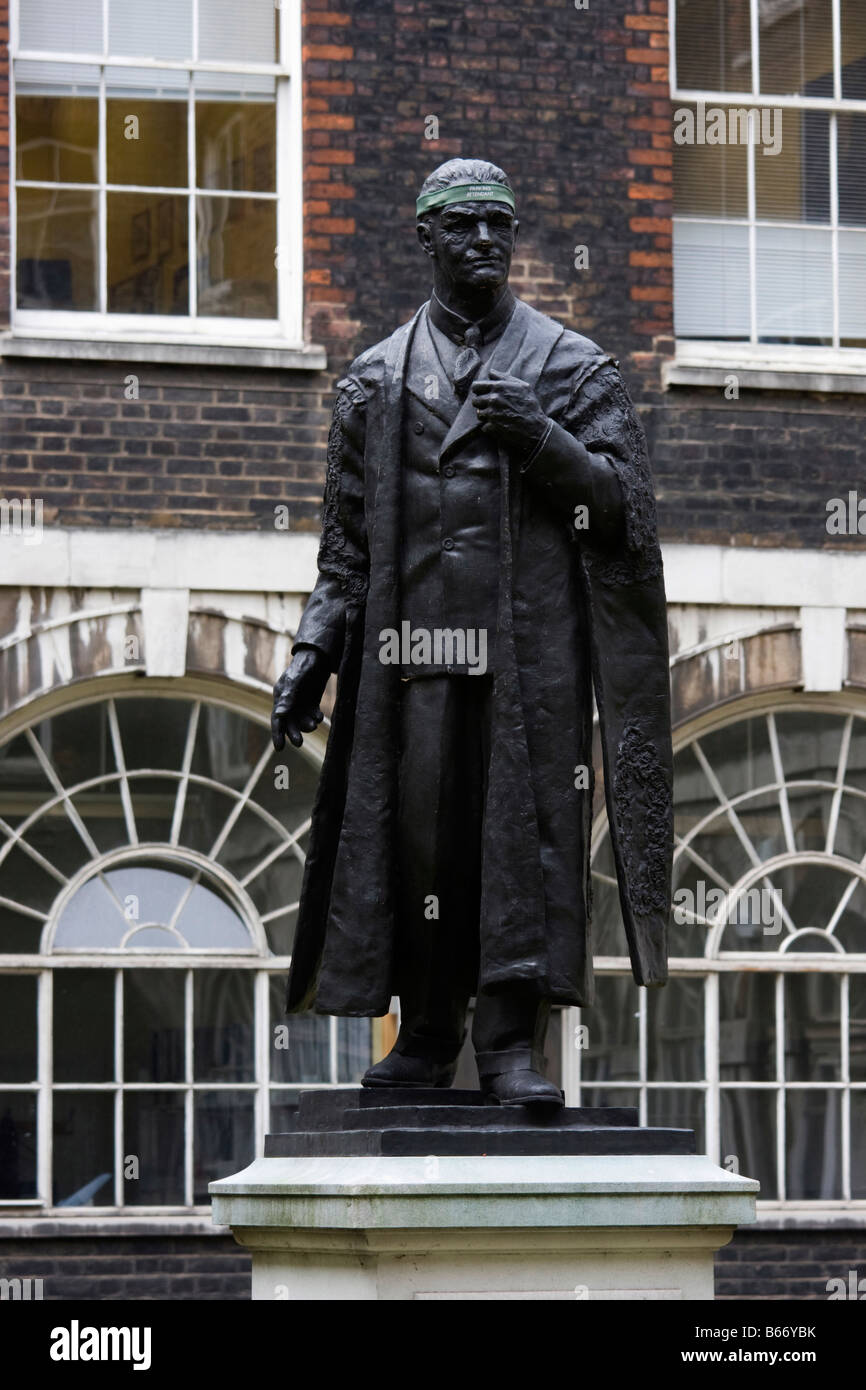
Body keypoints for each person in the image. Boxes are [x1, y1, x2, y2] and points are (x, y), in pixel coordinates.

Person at [272, 158, 673, 1107]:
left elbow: (624, 514)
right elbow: (344, 548)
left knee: (524, 843)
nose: (485, 241)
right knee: (420, 843)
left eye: (499, 224)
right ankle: (428, 1033)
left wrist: (542, 437)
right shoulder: (372, 381)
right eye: (463, 227)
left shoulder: (574, 369)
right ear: (427, 239)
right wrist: (310, 655)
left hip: (527, 660)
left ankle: (508, 1047)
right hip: (410, 661)